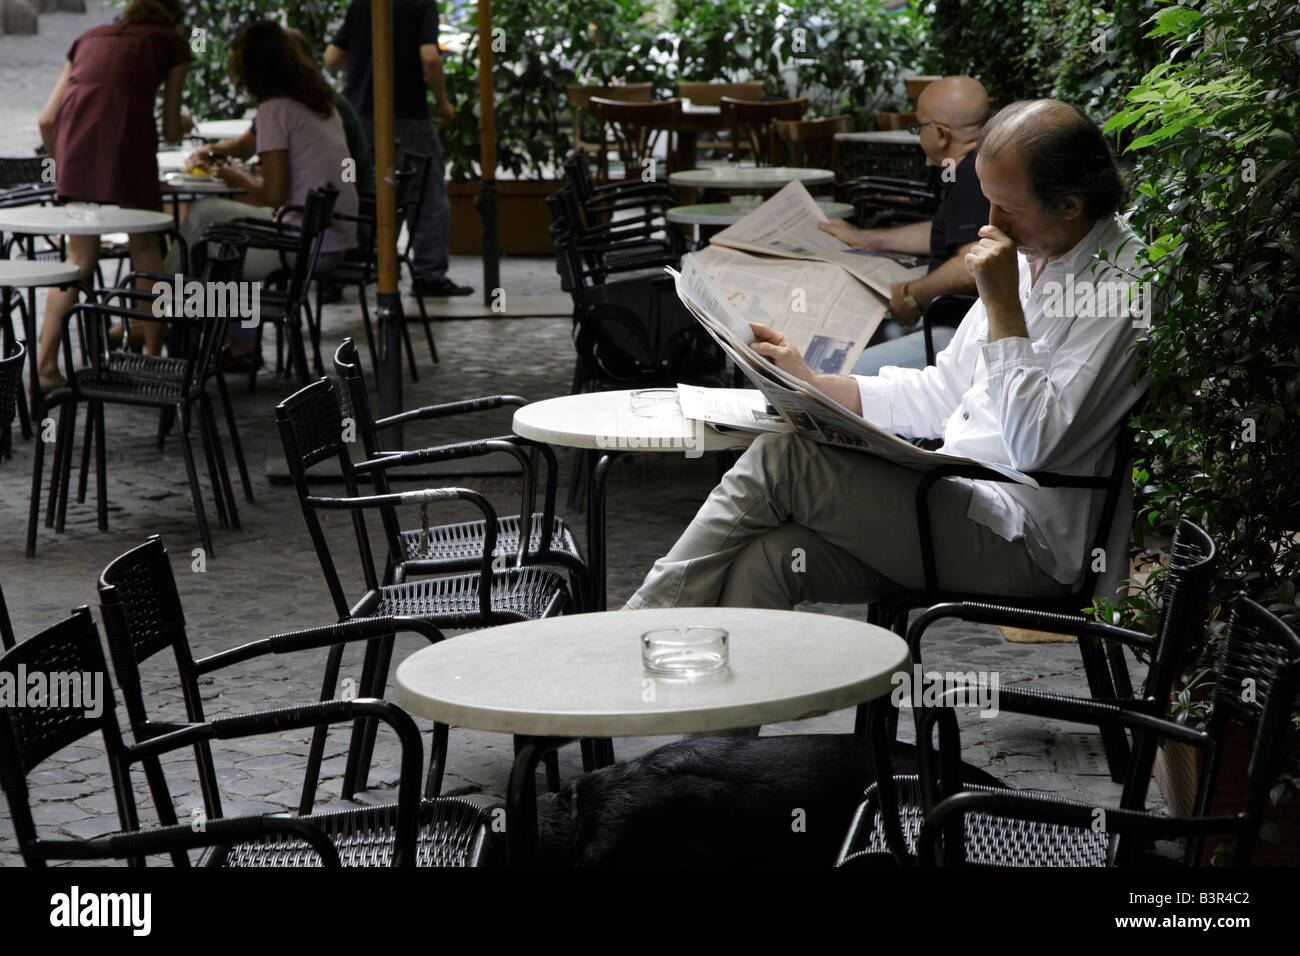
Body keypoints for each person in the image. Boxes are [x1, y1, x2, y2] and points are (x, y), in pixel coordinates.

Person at [625, 100, 1144, 615]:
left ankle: (637, 626)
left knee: (782, 461)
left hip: (1031, 544)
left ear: (1070, 205)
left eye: (1007, 207)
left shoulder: (1120, 287)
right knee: (769, 559)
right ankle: (736, 697)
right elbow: (946, 391)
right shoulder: (1036, 252)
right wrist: (817, 386)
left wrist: (1004, 306)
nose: (990, 223)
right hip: (959, 501)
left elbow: (1037, 447)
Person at [163, 20, 360, 355]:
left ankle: (162, 314)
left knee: (205, 234)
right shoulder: (316, 102)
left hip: (304, 249)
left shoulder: (275, 109)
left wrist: (235, 177)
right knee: (216, 234)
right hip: (333, 238)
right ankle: (233, 339)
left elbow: (274, 195)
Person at [34, 0, 190, 391]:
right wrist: (183, 123)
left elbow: (47, 119)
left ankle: (45, 366)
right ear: (174, 17)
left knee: (77, 260)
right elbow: (171, 130)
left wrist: (65, 165)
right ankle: (153, 361)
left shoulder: (87, 38)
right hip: (130, 147)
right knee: (146, 251)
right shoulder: (171, 43)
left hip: (76, 152)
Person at [818, 76, 990, 376]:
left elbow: (971, 263)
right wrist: (868, 239)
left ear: (939, 133)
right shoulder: (976, 166)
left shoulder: (970, 178)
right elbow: (948, 232)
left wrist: (912, 294)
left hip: (958, 336)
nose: (917, 134)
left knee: (837, 375)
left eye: (918, 127)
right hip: (953, 326)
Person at [325, 0, 472, 297]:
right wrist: (443, 102)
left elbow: (332, 58)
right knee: (426, 192)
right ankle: (429, 274)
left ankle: (351, 267)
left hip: (359, 112)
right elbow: (430, 58)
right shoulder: (420, 4)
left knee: (362, 188)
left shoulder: (363, 4)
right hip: (406, 111)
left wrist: (364, 67)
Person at [186, 29, 376, 197]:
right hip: (339, 219)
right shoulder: (321, 100)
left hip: (310, 227)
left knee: (202, 213)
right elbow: (245, 147)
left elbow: (275, 195)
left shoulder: (276, 109)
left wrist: (239, 178)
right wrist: (211, 151)